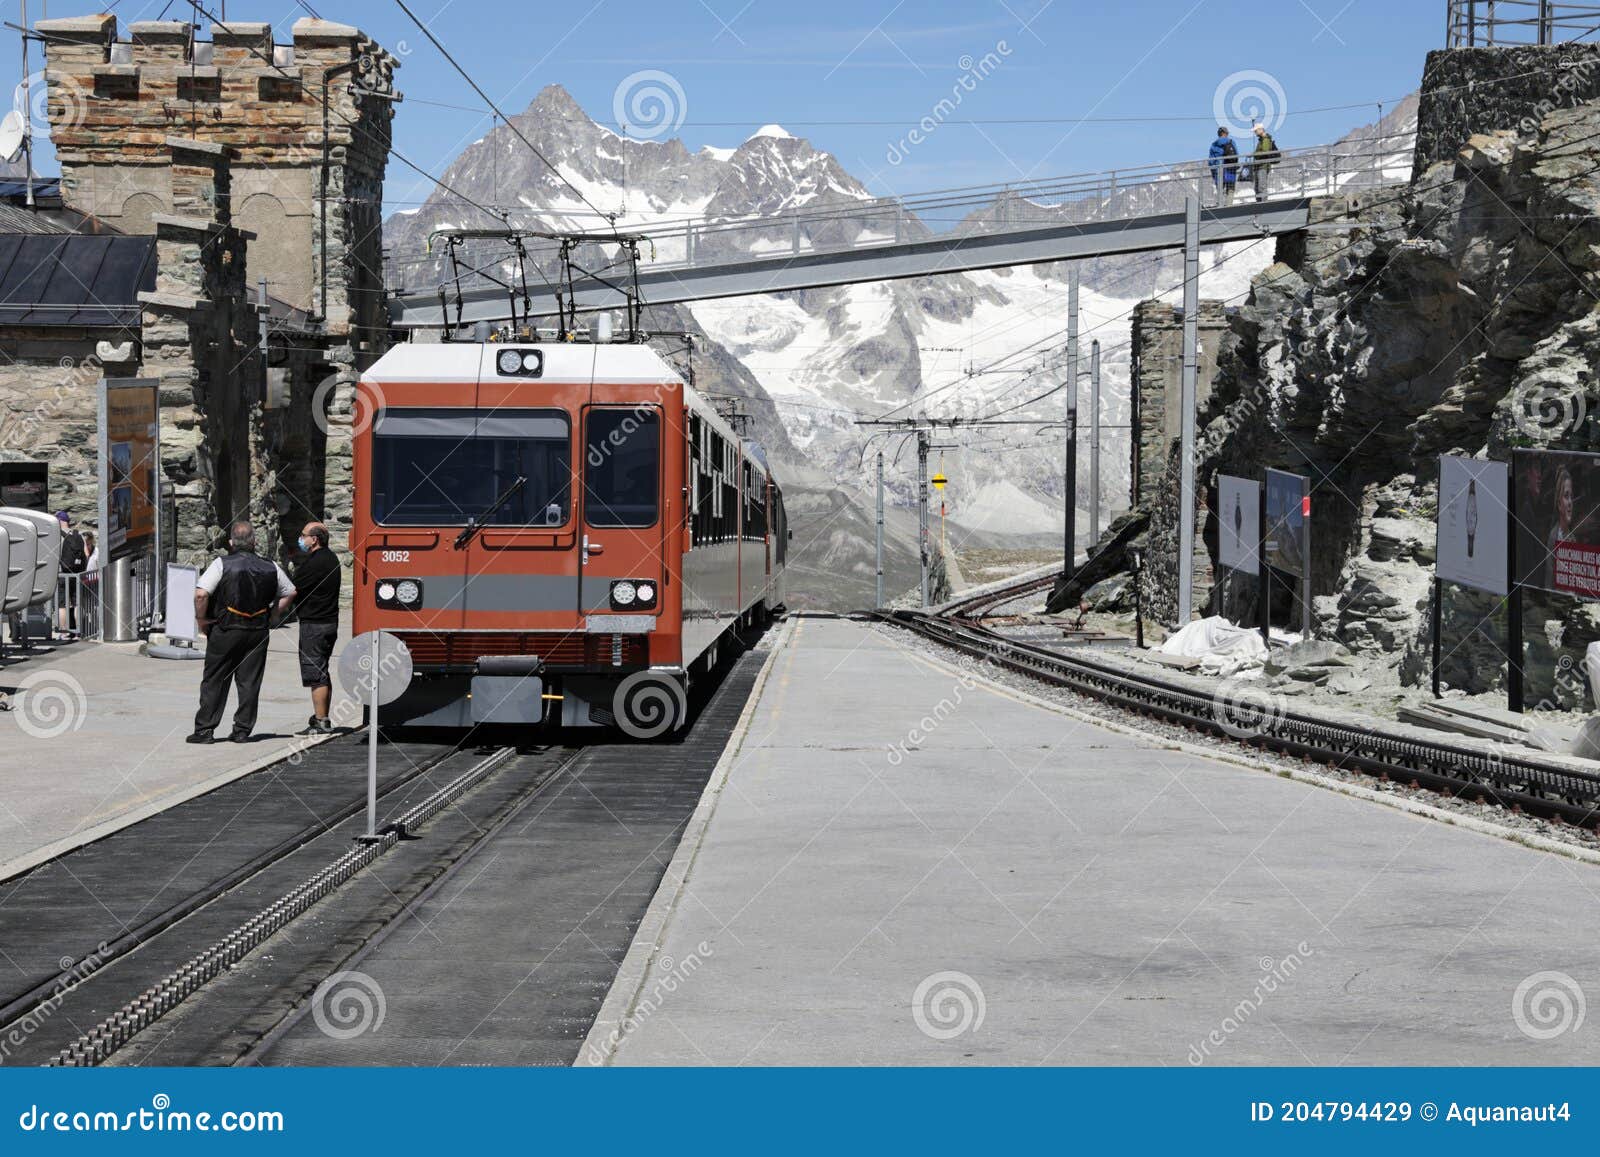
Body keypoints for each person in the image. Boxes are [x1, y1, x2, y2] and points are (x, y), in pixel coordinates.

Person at [188, 520, 295, 744]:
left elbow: (200, 594)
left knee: (215, 679)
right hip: (257, 630)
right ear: (254, 542)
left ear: (231, 542)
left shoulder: (221, 564)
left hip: (226, 629)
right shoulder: (271, 566)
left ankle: (205, 730)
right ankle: (242, 730)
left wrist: (201, 620)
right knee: (250, 681)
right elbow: (290, 591)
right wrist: (274, 615)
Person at [289, 521, 342, 734]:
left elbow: (293, 588)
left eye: (304, 535)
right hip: (329, 622)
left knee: (315, 673)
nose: (301, 539)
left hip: (315, 624)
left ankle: (321, 721)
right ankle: (323, 716)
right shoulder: (331, 558)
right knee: (322, 670)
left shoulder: (315, 562)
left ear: (315, 539)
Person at [55, 511, 87, 639]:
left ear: (59, 521)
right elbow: (86, 554)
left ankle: (64, 632)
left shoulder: (57, 536)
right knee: (77, 603)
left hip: (62, 574)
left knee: (62, 604)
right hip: (77, 573)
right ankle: (79, 632)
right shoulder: (78, 534)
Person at [1208, 127, 1240, 205]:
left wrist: (1213, 172)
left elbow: (1211, 161)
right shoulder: (1231, 142)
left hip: (1219, 169)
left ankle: (1220, 205)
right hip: (1230, 169)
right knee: (1230, 188)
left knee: (1220, 188)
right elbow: (1236, 155)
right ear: (1226, 133)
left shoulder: (1214, 145)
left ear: (1219, 134)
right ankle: (1229, 205)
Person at [1249, 122, 1280, 202]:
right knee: (1258, 186)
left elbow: (1265, 151)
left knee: (1261, 186)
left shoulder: (1265, 139)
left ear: (1260, 130)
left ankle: (1263, 202)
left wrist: (1254, 154)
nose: (1255, 132)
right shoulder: (1262, 140)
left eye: (1256, 130)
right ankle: (1260, 202)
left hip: (1263, 166)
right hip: (1260, 165)